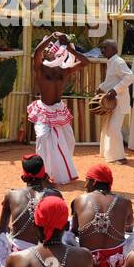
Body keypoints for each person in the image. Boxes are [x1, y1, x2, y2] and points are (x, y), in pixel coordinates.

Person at [27, 32, 87, 184]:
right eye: (47, 48)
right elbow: (36, 52)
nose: (48, 50)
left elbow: (85, 62)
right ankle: (42, 173)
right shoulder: (40, 68)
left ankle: (59, 171)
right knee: (42, 139)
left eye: (51, 48)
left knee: (69, 140)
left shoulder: (63, 70)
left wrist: (70, 48)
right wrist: (51, 37)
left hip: (58, 109)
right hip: (44, 110)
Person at [69, 163, 134, 267]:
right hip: (116, 262)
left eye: (87, 181)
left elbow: (75, 231)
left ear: (94, 182)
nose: (85, 185)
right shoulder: (125, 202)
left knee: (65, 235)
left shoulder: (78, 200)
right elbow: (130, 229)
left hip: (87, 260)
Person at [0, 154, 64, 261]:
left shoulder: (11, 195)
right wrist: (51, 186)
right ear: (45, 175)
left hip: (20, 254)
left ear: (23, 177)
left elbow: (1, 230)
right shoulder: (56, 195)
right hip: (48, 253)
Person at [95, 39, 133, 164]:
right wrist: (101, 87)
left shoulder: (118, 61)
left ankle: (120, 157)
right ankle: (110, 155)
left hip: (119, 101)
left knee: (113, 128)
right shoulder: (111, 62)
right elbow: (111, 81)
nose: (102, 50)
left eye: (105, 48)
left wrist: (115, 90)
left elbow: (130, 77)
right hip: (112, 102)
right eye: (102, 48)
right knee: (108, 127)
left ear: (113, 49)